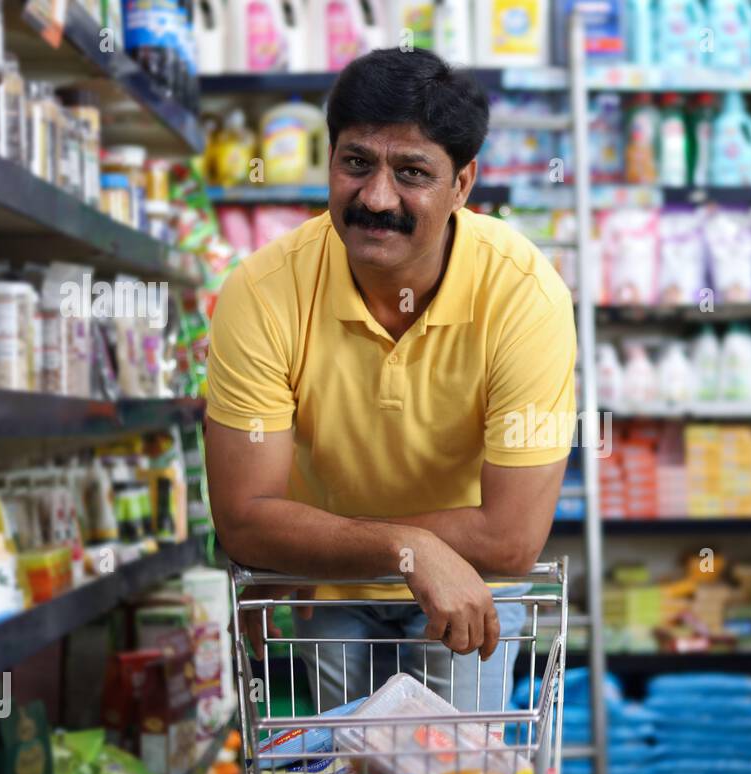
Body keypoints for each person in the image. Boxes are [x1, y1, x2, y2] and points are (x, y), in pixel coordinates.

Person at [204, 48, 576, 713]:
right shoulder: (262, 293)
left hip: (465, 582)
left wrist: (314, 537)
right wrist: (403, 546)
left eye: (412, 172)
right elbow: (243, 519)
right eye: (356, 163)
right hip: (333, 587)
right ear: (329, 162)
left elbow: (512, 537)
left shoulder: (524, 295)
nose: (377, 198)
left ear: (463, 185)